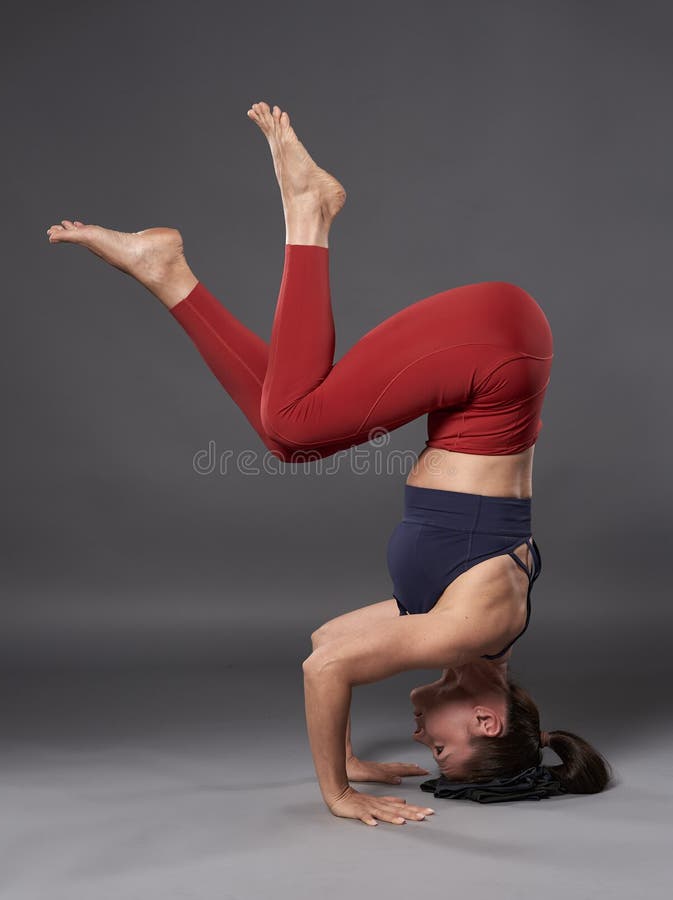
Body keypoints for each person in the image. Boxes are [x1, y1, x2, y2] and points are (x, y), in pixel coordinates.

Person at [45, 100, 612, 827]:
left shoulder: (456, 627)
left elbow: (327, 643)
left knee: (286, 436)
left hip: (492, 351)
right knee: (294, 421)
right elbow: (326, 673)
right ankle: (309, 210)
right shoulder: (468, 626)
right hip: (493, 351)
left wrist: (346, 752)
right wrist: (338, 794)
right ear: (486, 723)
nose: (421, 743)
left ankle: (167, 272)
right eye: (444, 752)